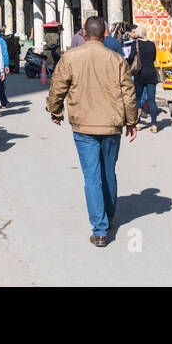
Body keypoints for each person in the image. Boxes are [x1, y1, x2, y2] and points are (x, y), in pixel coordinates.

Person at [46, 16, 138, 247]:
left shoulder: (70, 57)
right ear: (105, 34)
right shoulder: (117, 59)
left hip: (83, 125)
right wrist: (132, 121)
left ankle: (99, 230)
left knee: (92, 177)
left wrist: (55, 111)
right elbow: (128, 93)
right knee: (109, 172)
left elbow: (57, 87)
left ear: (85, 34)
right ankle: (109, 217)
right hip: (111, 125)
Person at [129, 25, 161, 133]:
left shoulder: (135, 43)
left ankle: (138, 123)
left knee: (137, 99)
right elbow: (153, 58)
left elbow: (131, 57)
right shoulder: (152, 44)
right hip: (151, 73)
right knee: (152, 100)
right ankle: (154, 125)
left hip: (140, 74)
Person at [0, 24, 12, 109]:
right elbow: (4, 53)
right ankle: (4, 103)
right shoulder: (1, 40)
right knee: (1, 84)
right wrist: (6, 65)